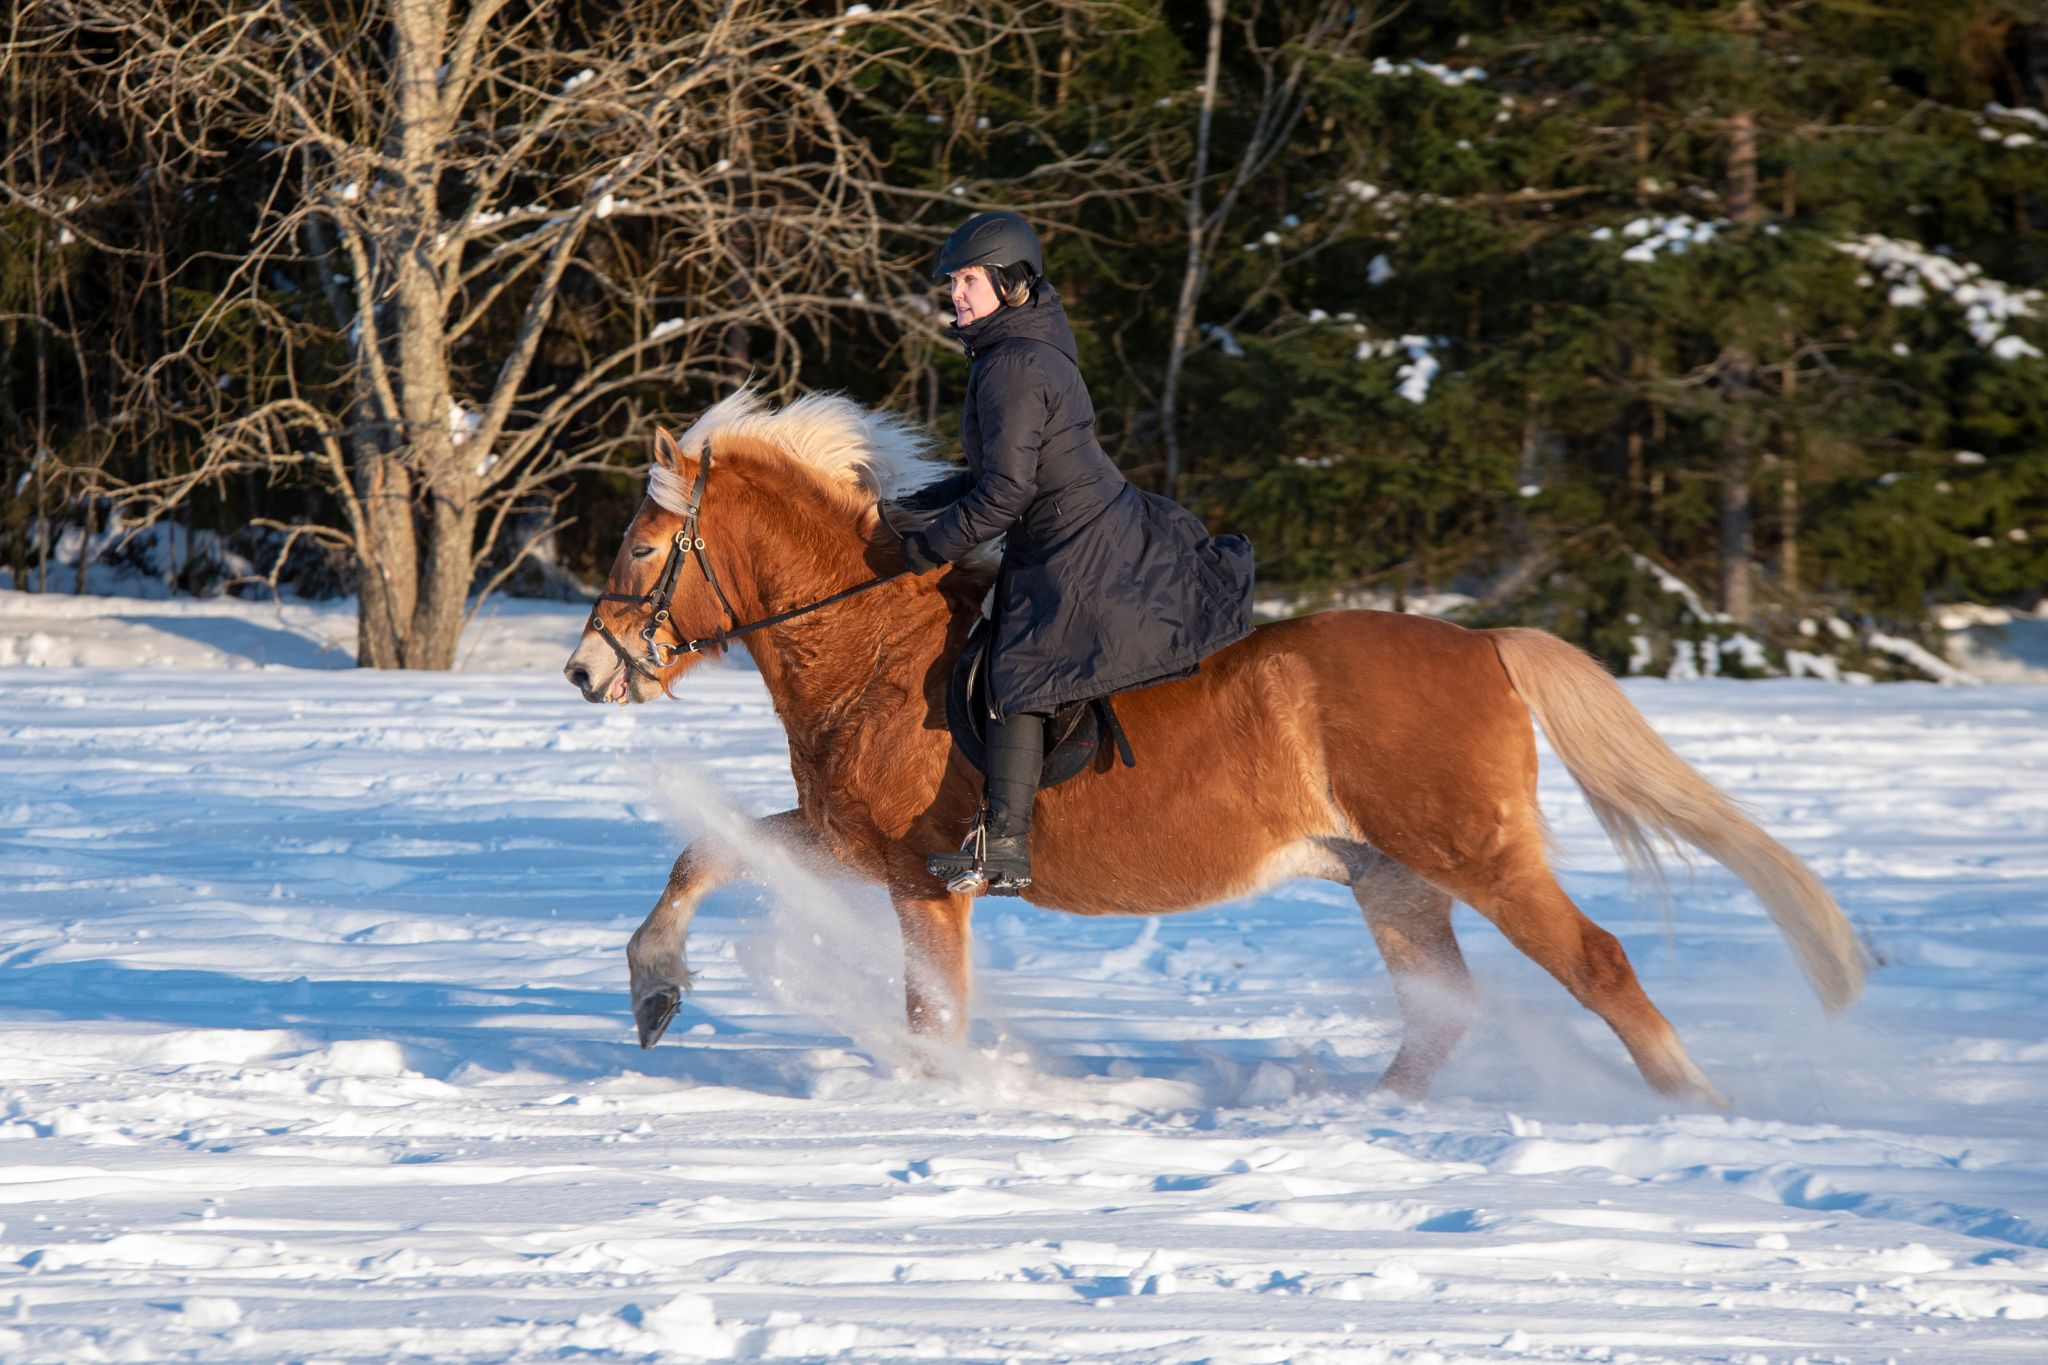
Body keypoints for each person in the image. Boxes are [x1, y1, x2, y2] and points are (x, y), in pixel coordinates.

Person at [898, 210, 1256, 895]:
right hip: (1078, 520)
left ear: (1010, 282)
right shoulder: (1016, 346)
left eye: (969, 279)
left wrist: (928, 550)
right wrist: (911, 507)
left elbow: (1004, 494)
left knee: (1018, 668)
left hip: (1074, 542)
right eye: (953, 281)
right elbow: (990, 474)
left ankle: (1003, 841)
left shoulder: (1012, 365)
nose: (955, 293)